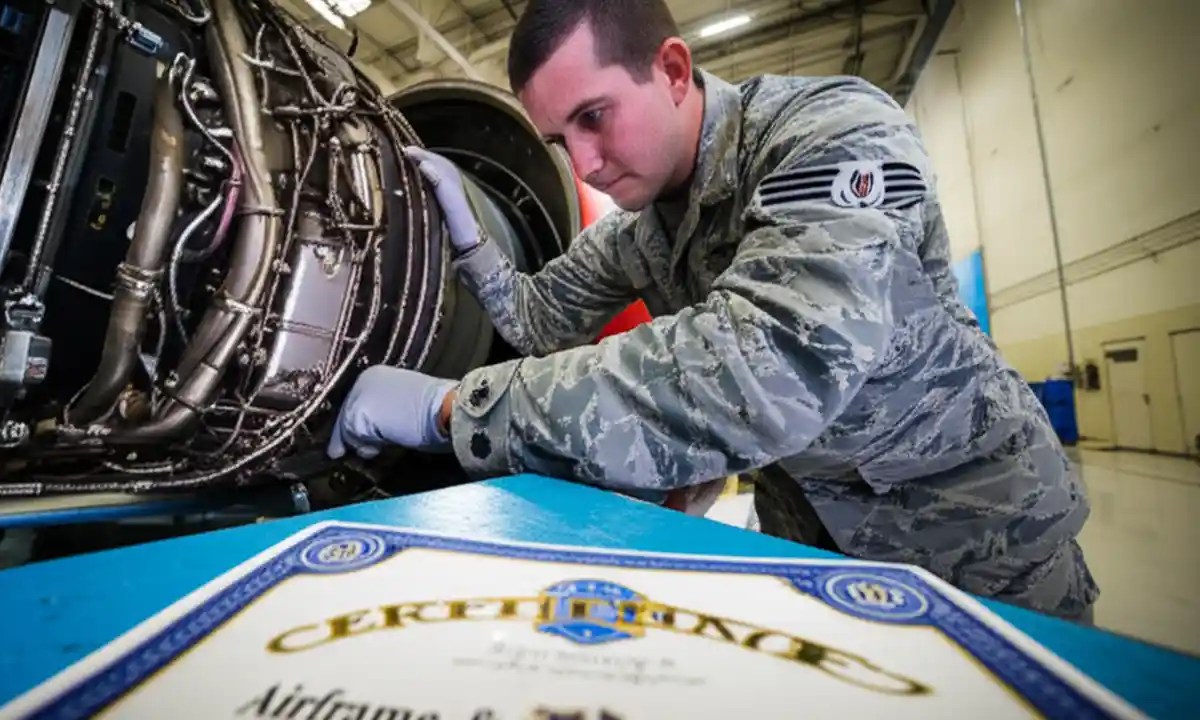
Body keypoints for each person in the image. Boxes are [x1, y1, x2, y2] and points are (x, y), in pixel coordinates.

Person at [326, 0, 1099, 622]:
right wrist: (470, 244)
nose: (584, 163)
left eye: (594, 117)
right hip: (818, 547)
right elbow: (535, 317)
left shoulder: (831, 134)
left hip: (979, 544)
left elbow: (768, 371)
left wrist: (451, 409)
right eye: (560, 141)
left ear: (670, 70)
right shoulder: (644, 230)